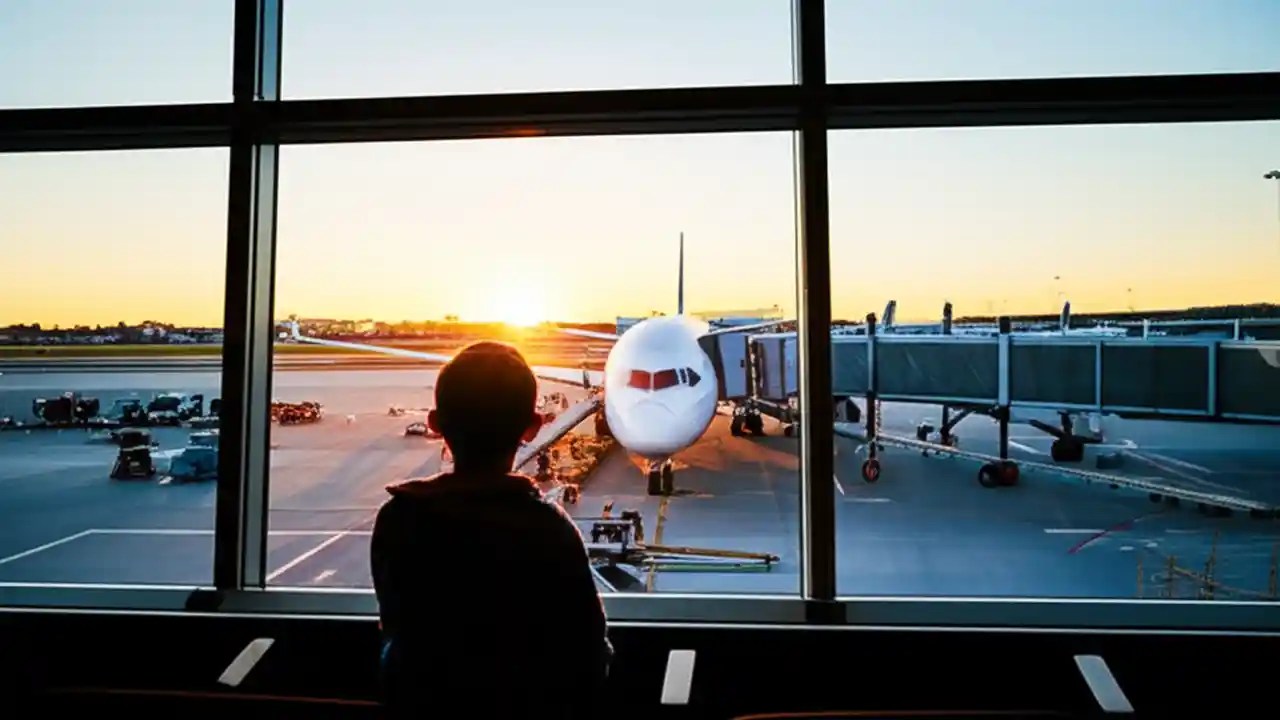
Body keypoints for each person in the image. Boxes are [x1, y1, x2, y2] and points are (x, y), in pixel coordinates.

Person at [370, 341, 611, 717]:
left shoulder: (398, 518)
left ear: (434, 424)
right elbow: (590, 650)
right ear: (533, 428)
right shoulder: (549, 529)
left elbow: (395, 625)